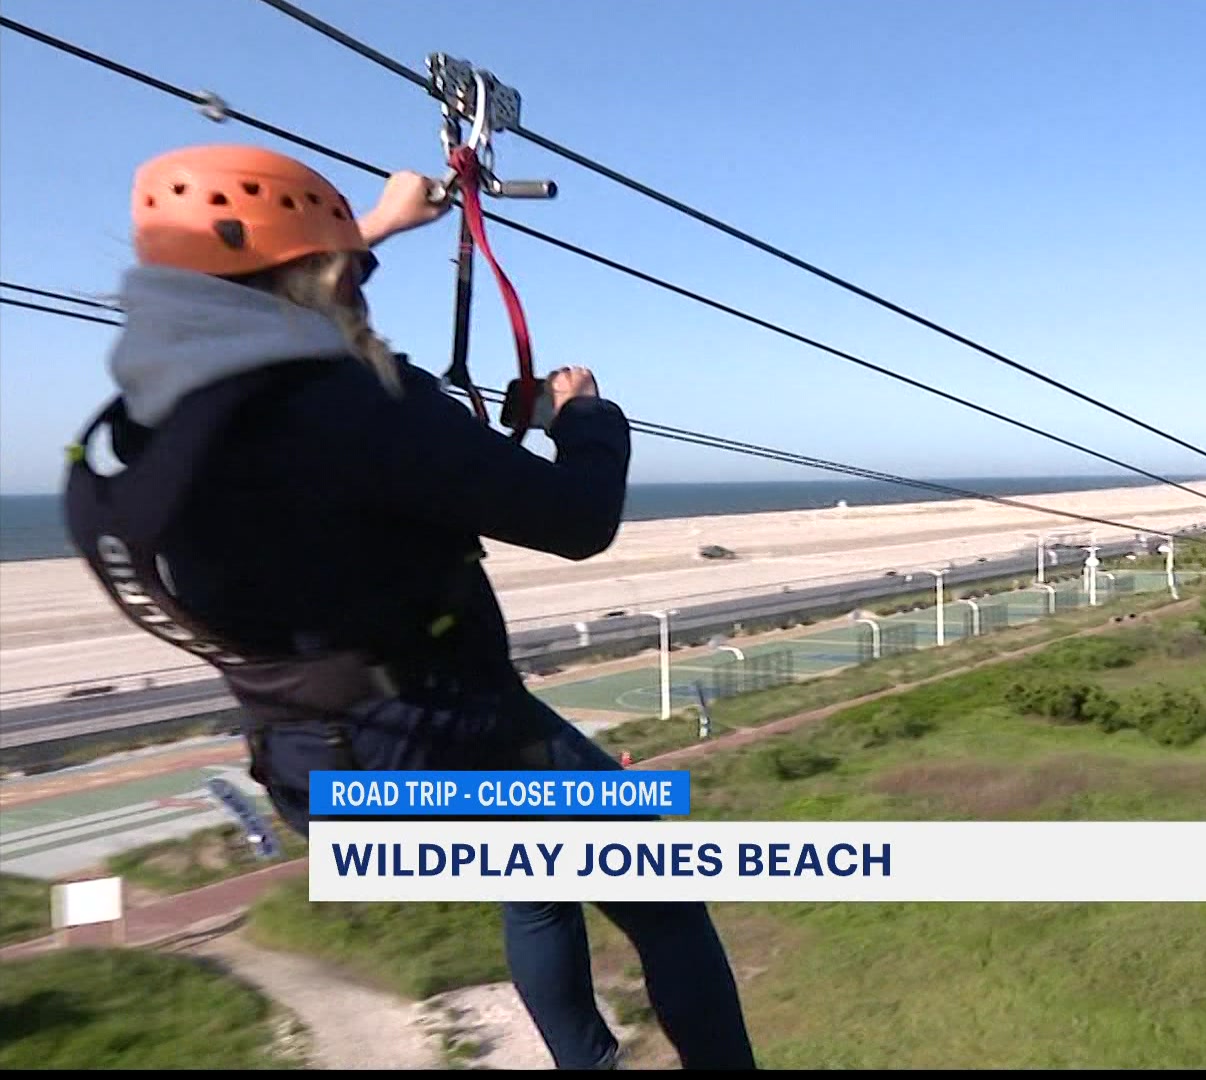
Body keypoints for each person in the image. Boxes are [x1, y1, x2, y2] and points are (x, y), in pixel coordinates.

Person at [63, 144, 756, 1071]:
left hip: (313, 765)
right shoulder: (350, 412)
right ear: (325, 272)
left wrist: (375, 227)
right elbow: (577, 520)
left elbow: (264, 319)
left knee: (539, 884)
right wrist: (586, 418)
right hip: (440, 738)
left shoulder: (146, 421)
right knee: (659, 886)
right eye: (355, 272)